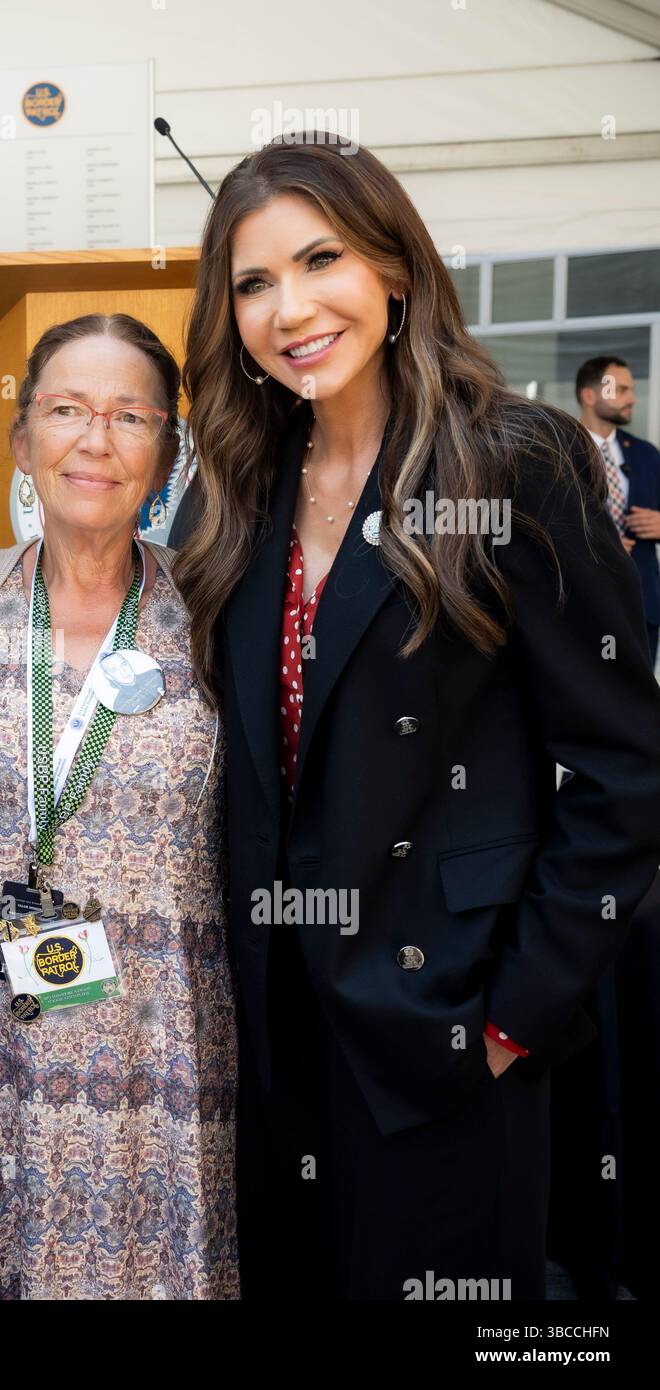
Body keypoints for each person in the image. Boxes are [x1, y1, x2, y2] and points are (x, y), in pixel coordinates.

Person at [172, 133, 660, 1300]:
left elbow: (624, 769)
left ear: (393, 269)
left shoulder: (511, 461)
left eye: (319, 258)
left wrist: (515, 1013)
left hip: (447, 1026)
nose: (288, 307)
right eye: (251, 282)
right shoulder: (235, 486)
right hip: (270, 1034)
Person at [0, 313, 238, 1299]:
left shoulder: (215, 615)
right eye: (67, 410)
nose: (96, 439)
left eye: (131, 415)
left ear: (168, 452)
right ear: (20, 440)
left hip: (159, 1052)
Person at [576, 355, 660, 666]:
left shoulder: (646, 455)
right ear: (589, 395)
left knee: (640, 707)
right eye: (621, 389)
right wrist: (595, 542)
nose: (632, 399)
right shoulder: (555, 451)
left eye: (632, 390)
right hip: (582, 605)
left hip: (641, 607)